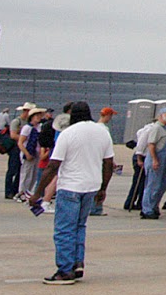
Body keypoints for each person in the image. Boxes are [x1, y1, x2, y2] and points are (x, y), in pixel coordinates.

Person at [30, 101, 114, 284]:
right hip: (91, 186)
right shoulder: (102, 132)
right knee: (79, 226)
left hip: (70, 187)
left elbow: (53, 165)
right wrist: (103, 188)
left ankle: (64, 270)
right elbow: (109, 163)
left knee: (64, 229)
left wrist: (37, 193)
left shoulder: (68, 134)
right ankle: (77, 263)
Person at [138, 108, 166, 219]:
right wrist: (154, 159)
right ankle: (147, 209)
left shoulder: (165, 129)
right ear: (161, 115)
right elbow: (151, 144)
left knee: (162, 185)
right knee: (153, 185)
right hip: (157, 160)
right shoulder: (156, 128)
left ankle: (154, 206)